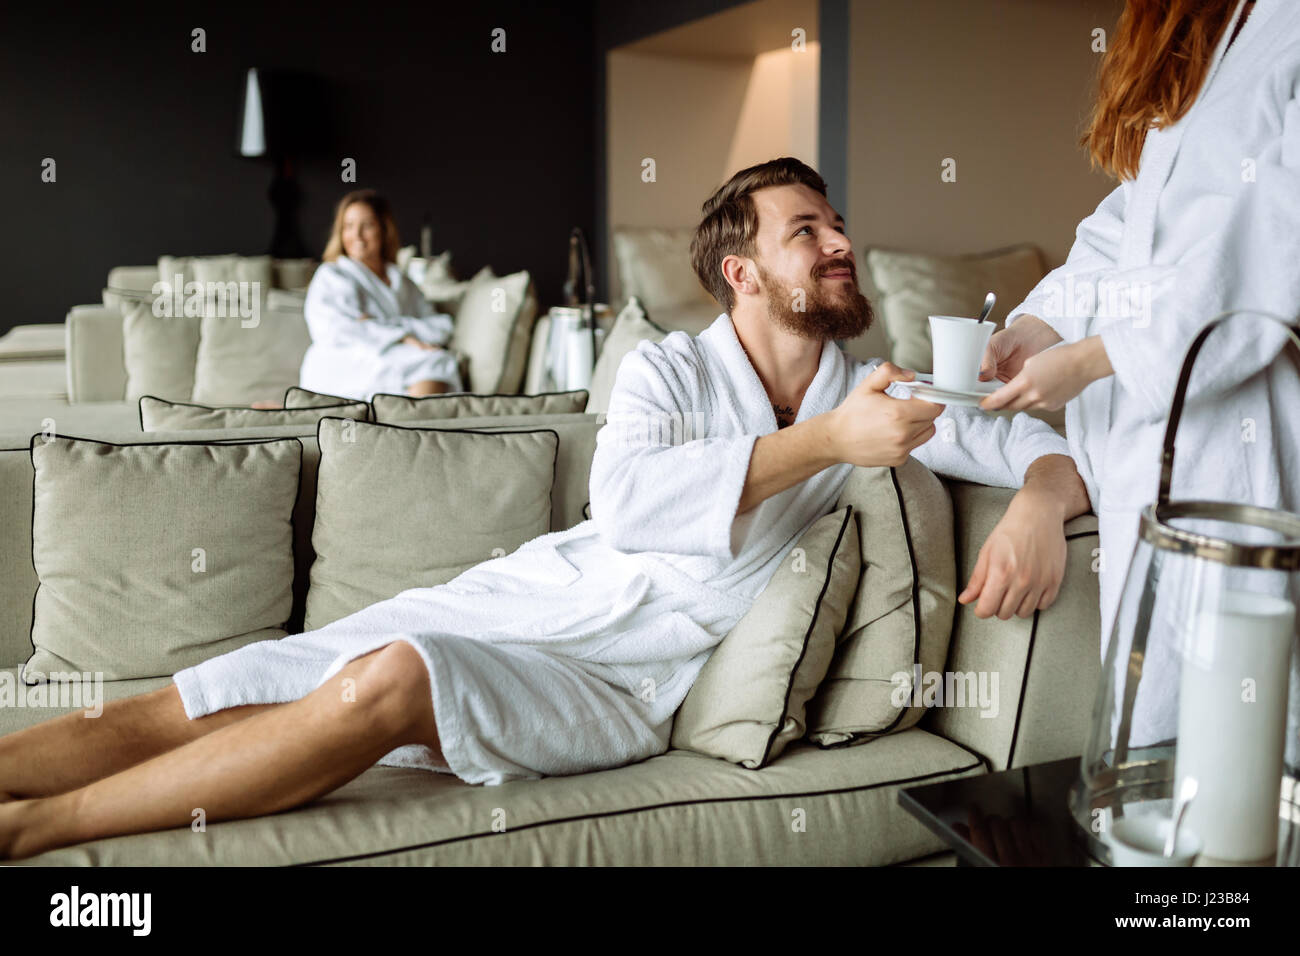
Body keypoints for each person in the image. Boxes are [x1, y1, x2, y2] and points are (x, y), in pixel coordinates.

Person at [0, 158, 1091, 860]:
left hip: (620, 682)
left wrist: (1041, 499)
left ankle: (36, 829)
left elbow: (1037, 441)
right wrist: (820, 444)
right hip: (530, 597)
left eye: (837, 222)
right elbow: (622, 499)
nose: (841, 241)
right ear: (740, 270)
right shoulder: (670, 370)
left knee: (391, 676)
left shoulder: (876, 397)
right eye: (806, 228)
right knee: (222, 684)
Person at [977, 0, 1300, 757]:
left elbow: (1279, 236)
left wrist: (1100, 356)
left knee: (1244, 733)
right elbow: (1128, 225)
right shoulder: (1207, 38)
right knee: (1148, 722)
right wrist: (1042, 326)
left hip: (1237, 425)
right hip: (1143, 443)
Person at [299, 189, 462, 401]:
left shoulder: (401, 281)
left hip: (390, 354)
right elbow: (335, 330)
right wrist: (403, 336)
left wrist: (386, 326)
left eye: (366, 225)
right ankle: (403, 426)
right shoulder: (332, 275)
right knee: (433, 363)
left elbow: (441, 326)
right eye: (348, 226)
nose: (356, 235)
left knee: (438, 361)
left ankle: (402, 426)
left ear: (384, 230)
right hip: (341, 361)